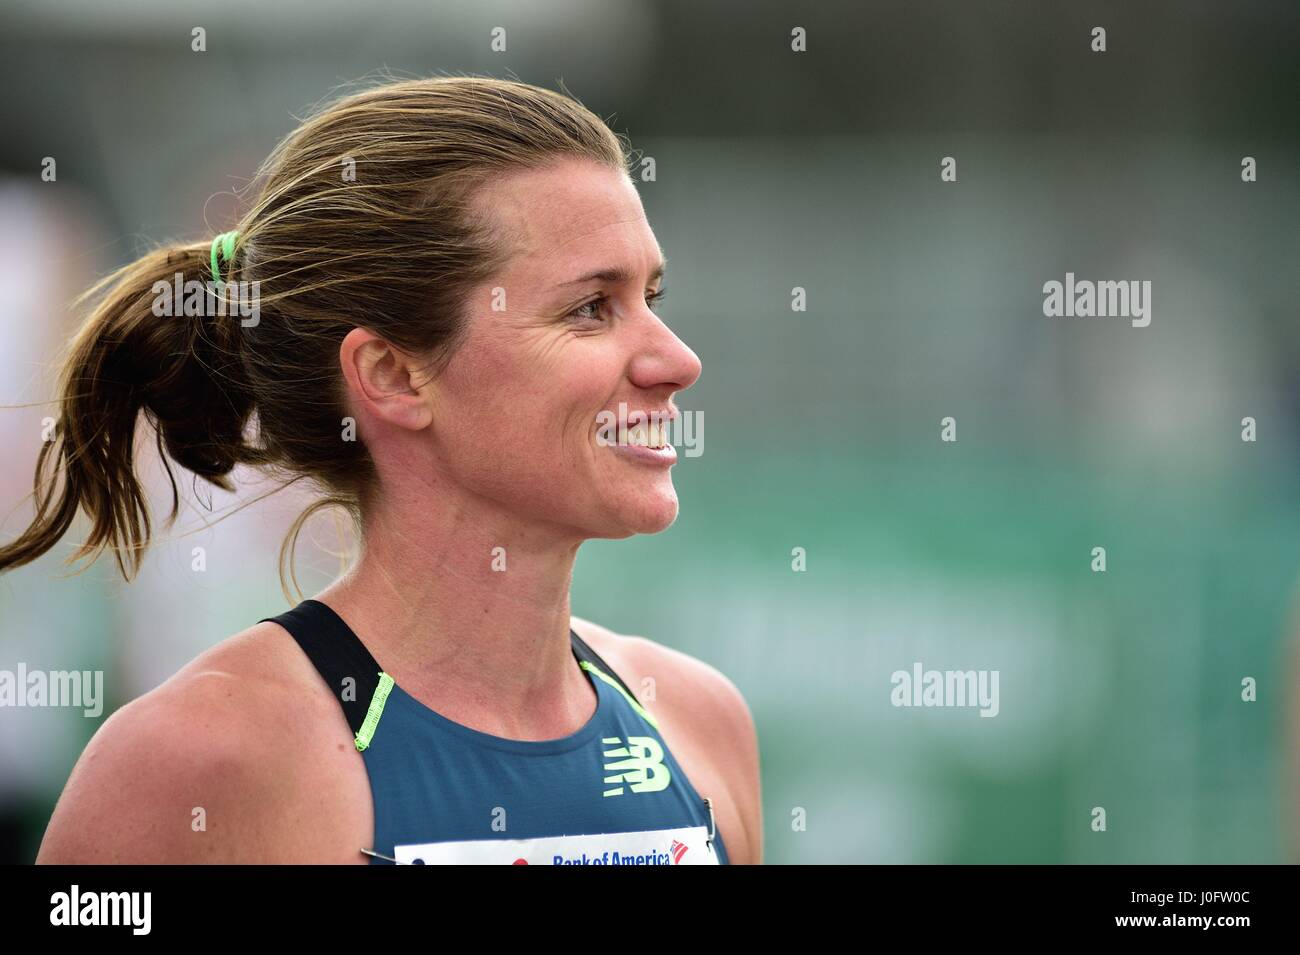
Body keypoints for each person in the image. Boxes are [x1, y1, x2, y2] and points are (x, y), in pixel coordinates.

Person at [2, 76, 762, 864]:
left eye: (653, 296)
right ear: (394, 375)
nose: (678, 359)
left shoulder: (698, 723)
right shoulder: (199, 757)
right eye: (590, 308)